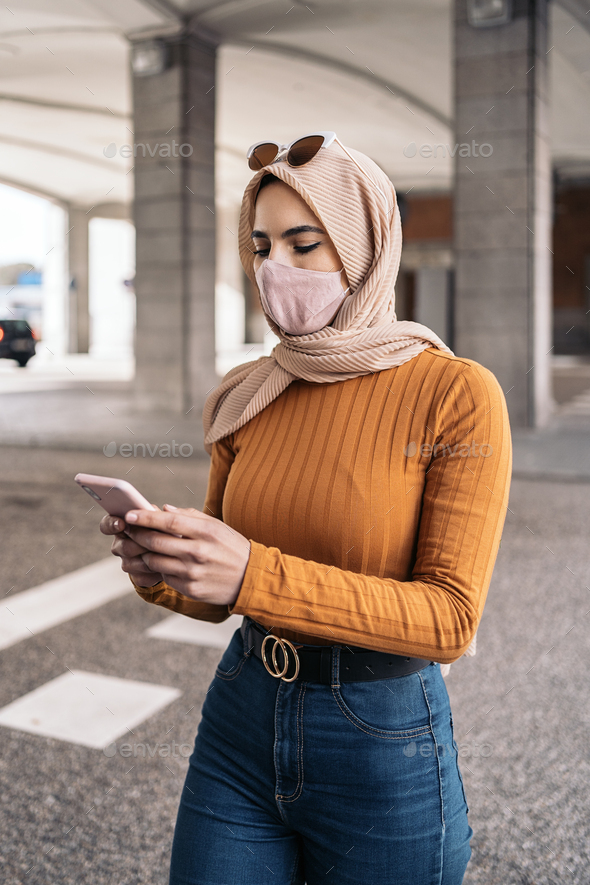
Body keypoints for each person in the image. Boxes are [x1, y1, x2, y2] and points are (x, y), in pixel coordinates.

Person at [100, 132, 512, 885]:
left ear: (364, 248)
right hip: (241, 712)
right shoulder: (248, 390)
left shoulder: (456, 393)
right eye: (260, 247)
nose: (274, 269)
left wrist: (253, 572)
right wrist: (159, 562)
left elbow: (450, 619)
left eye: (303, 243)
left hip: (381, 732)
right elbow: (217, 585)